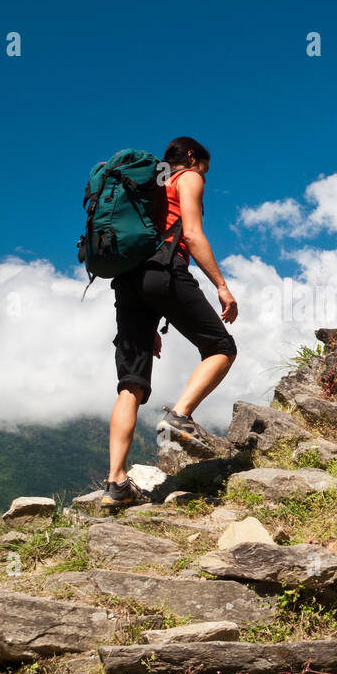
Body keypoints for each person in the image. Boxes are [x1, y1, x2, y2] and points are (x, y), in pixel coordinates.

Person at [100, 136, 239, 508]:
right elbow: (190, 234)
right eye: (204, 168)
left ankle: (115, 482)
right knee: (221, 347)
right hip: (164, 272)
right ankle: (180, 416)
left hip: (129, 283)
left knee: (131, 384)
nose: (204, 176)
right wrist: (222, 287)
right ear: (192, 157)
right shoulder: (186, 178)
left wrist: (152, 318)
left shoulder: (149, 186)